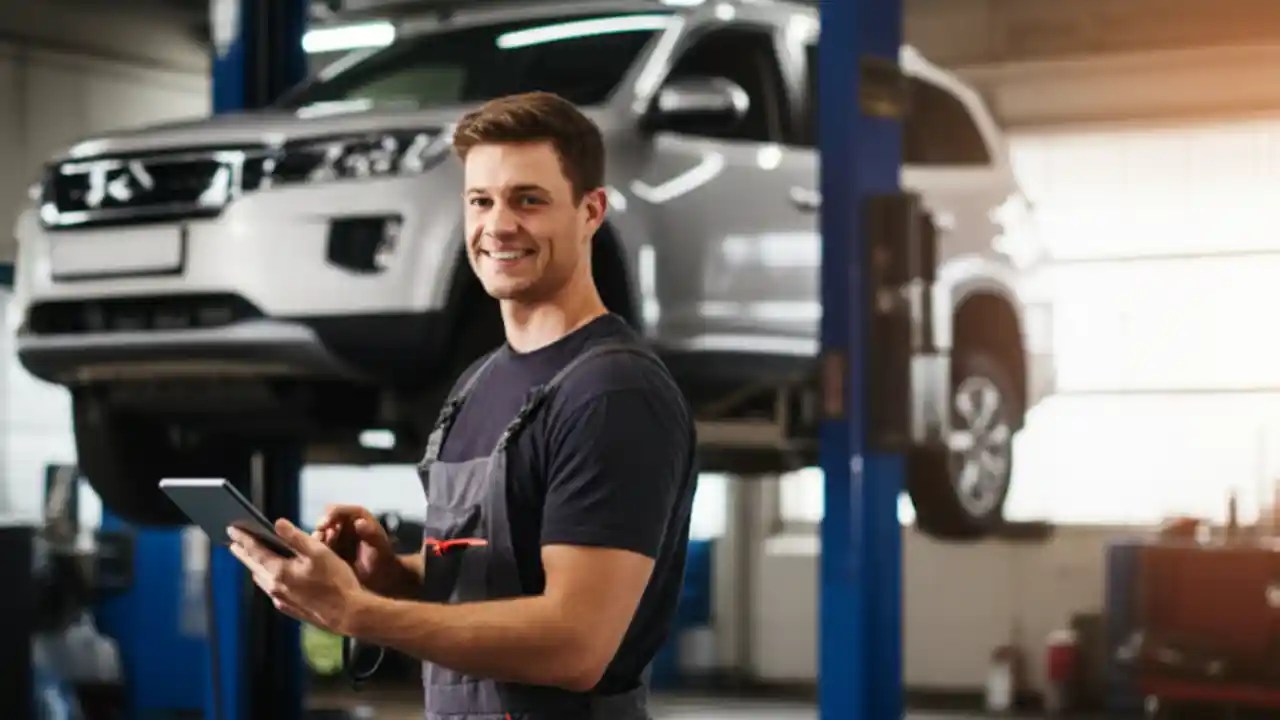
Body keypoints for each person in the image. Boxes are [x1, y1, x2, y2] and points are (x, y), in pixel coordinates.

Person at [226, 91, 699, 719]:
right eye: (481, 201)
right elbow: (501, 571)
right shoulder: (478, 386)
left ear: (591, 212)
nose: (498, 226)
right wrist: (395, 576)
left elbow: (575, 644)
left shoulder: (613, 394)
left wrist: (361, 612)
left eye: (528, 200)